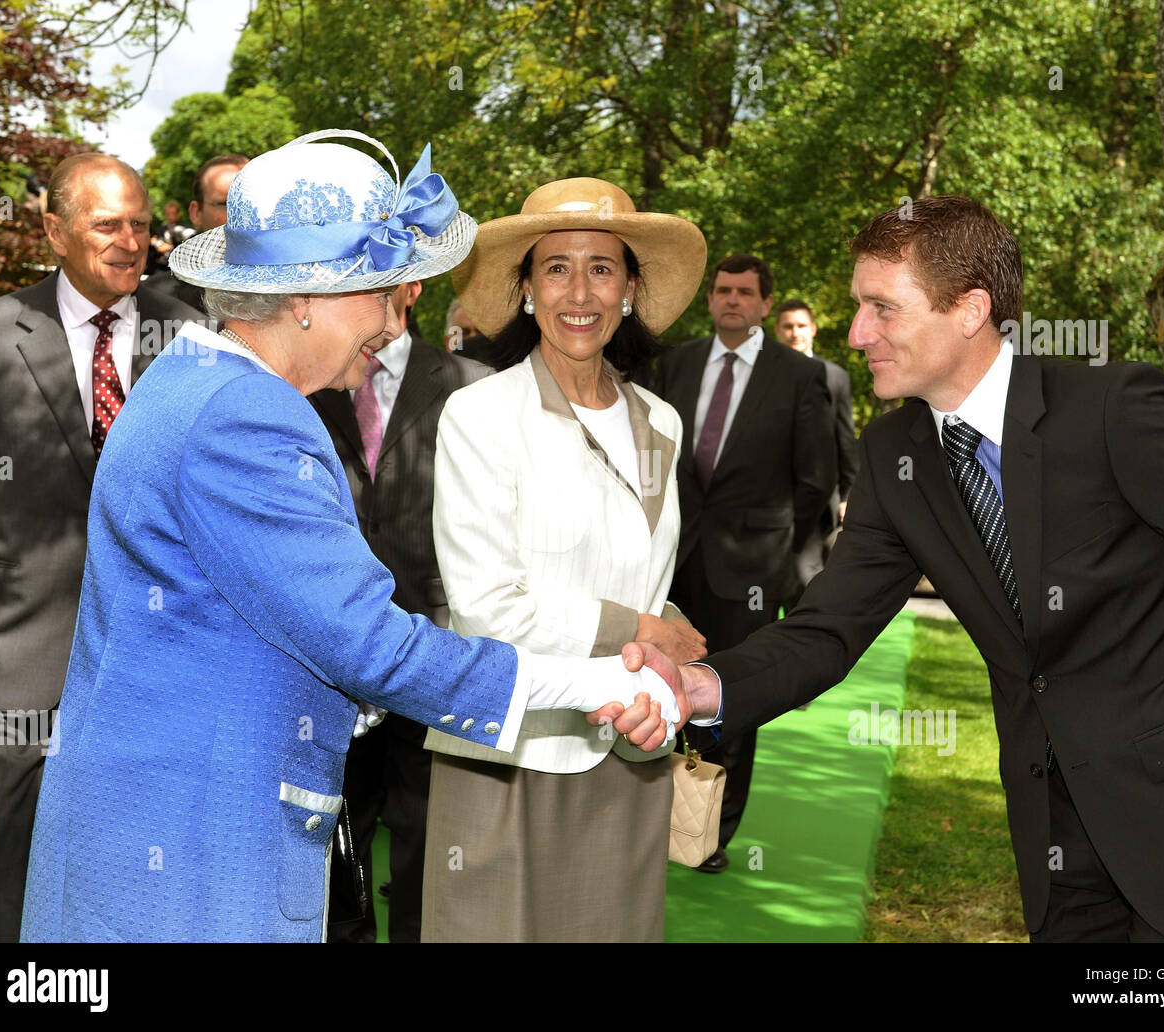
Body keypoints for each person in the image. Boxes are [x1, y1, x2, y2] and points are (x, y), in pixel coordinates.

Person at [17, 132, 680, 944]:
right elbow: (372, 646)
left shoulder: (196, 379)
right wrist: (602, 683)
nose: (401, 319)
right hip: (196, 867)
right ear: (306, 297)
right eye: (385, 293)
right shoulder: (244, 418)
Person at [635, 195, 1164, 942]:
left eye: (882, 309)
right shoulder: (896, 454)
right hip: (1053, 832)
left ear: (969, 310)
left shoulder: (1111, 408)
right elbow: (828, 629)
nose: (859, 332)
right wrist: (711, 685)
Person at [421, 177, 708, 942]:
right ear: (524, 289)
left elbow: (645, 577)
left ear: (631, 289)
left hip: (631, 746)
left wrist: (667, 635)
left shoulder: (662, 422)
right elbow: (488, 606)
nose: (579, 291)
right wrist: (644, 627)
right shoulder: (480, 415)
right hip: (511, 753)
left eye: (602, 268)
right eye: (555, 268)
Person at [0, 153, 202, 942]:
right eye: (107, 225)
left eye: (141, 224)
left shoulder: (193, 334)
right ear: (55, 230)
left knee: (137, 860)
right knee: (3, 859)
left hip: (158, 651)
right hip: (17, 653)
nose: (130, 241)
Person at [310, 277, 490, 943]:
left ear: (413, 287)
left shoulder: (475, 384)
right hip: (330, 650)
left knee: (428, 833)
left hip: (435, 644)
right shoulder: (307, 375)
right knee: (336, 831)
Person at [652, 254, 835, 873]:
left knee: (729, 697)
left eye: (744, 293)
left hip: (750, 571)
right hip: (670, 563)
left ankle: (709, 837)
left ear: (764, 304)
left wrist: (776, 552)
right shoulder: (673, 365)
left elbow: (815, 480)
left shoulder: (796, 377)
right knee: (656, 685)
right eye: (722, 290)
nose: (731, 300)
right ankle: (655, 822)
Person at [775, 298, 860, 580]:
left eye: (801, 325)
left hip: (820, 503)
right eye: (788, 326)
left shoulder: (835, 376)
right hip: (769, 501)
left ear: (813, 328)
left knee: (808, 582)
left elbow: (845, 438)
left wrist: (849, 495)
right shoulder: (762, 377)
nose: (795, 332)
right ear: (777, 331)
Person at [146, 154, 249, 312]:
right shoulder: (153, 299)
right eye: (227, 204)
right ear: (196, 213)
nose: (245, 214)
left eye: (253, 202)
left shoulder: (293, 293)